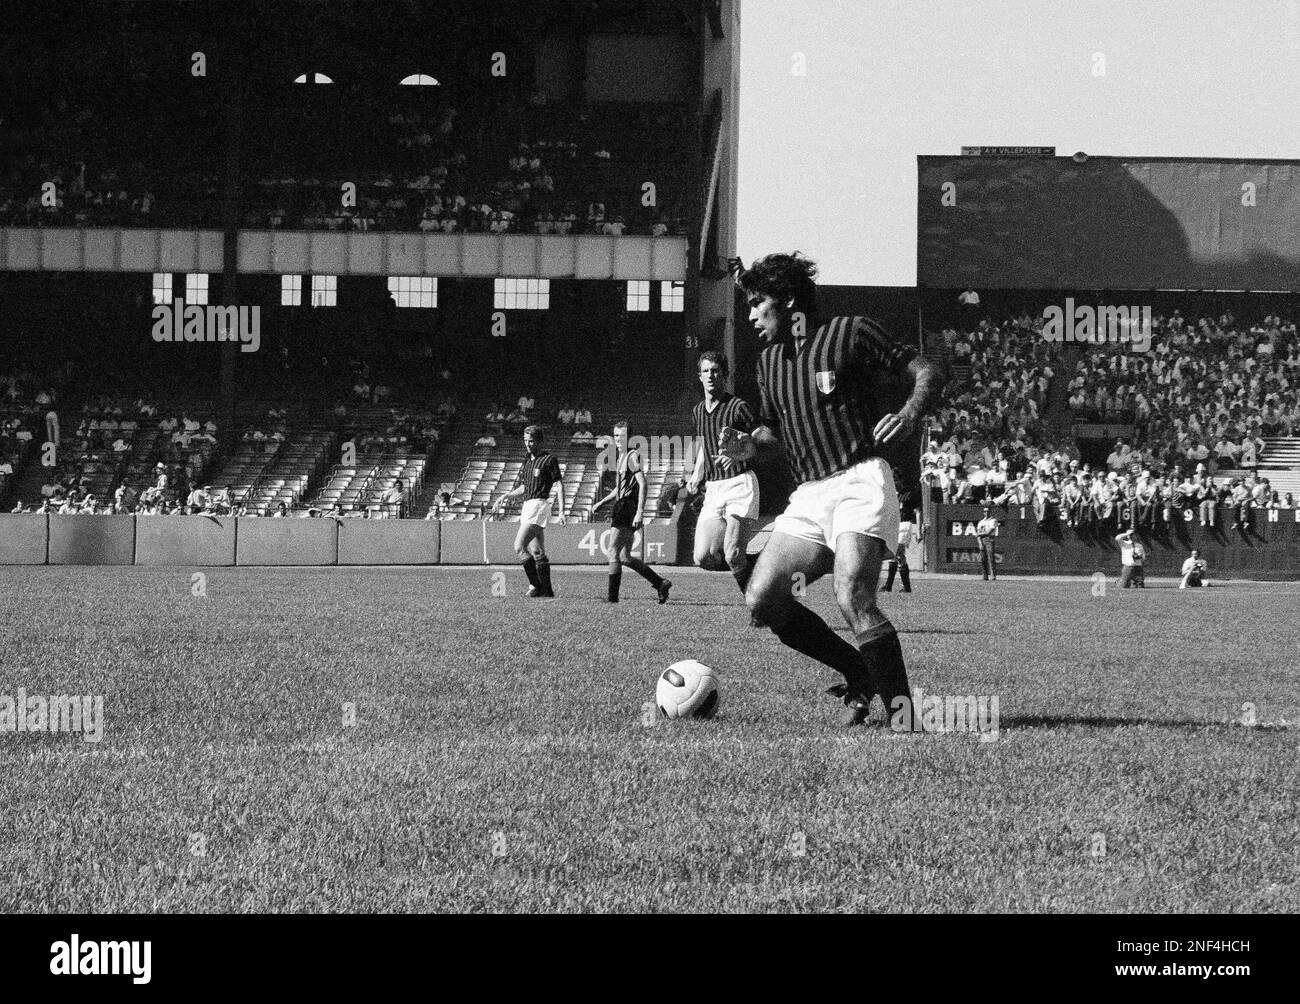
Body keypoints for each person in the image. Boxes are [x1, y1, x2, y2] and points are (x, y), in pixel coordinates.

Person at [719, 252, 942, 728]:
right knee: (762, 600)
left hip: (860, 479)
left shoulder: (851, 333)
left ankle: (904, 718)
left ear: (790, 300)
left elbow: (927, 371)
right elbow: (779, 434)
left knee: (853, 593)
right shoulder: (767, 364)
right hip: (809, 495)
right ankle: (859, 672)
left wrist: (908, 415)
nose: (752, 314)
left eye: (759, 303)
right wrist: (748, 445)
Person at [686, 350, 759, 594]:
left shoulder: (738, 407)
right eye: (706, 371)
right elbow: (704, 447)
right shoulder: (697, 411)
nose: (710, 375)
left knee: (732, 553)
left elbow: (762, 439)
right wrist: (697, 475)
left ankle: (757, 603)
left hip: (739, 483)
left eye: (715, 371)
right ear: (699, 376)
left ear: (724, 375)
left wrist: (741, 450)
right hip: (715, 488)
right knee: (703, 557)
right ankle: (760, 563)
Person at [590, 421, 671, 604]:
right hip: (623, 503)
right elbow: (619, 488)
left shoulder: (633, 456)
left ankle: (612, 599)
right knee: (625, 557)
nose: (618, 439)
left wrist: (640, 512)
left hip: (627, 506)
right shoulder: (621, 457)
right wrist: (602, 502)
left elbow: (643, 483)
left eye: (622, 436)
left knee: (612, 551)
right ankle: (660, 583)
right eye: (616, 435)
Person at [491, 425, 564, 597]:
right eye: (525, 440)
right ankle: (547, 591)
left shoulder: (549, 459)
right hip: (528, 505)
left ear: (539, 441)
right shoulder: (527, 461)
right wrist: (506, 496)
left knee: (519, 546)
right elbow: (525, 487)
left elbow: (559, 485)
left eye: (531, 440)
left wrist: (562, 511)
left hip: (539, 505)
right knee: (537, 551)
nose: (528, 444)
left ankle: (536, 585)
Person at [883, 491, 920, 593]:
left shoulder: (909, 494)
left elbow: (917, 512)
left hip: (904, 524)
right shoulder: (890, 494)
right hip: (893, 525)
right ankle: (888, 586)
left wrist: (918, 531)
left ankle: (907, 587)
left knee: (899, 554)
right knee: (893, 556)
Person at [976, 504, 1000, 581]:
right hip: (982, 540)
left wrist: (979, 534)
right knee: (983, 559)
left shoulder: (993, 520)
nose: (986, 512)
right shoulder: (981, 522)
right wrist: (980, 543)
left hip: (989, 539)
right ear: (983, 512)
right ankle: (985, 575)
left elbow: (989, 532)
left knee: (990, 558)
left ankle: (993, 576)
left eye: (988, 511)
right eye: (985, 511)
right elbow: (978, 534)